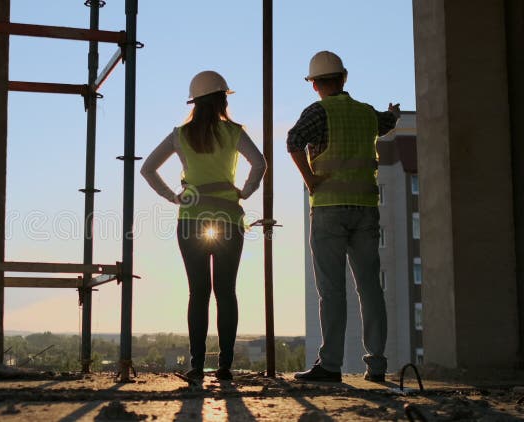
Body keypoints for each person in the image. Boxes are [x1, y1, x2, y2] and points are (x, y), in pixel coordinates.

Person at [140, 71, 266, 382]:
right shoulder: (235, 132)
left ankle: (197, 365)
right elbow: (259, 163)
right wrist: (245, 191)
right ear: (222, 98)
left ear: (195, 102)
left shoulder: (179, 135)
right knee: (226, 292)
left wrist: (173, 197)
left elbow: (147, 169)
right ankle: (225, 366)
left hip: (191, 221)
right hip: (229, 220)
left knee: (198, 293)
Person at [289, 51, 401, 383]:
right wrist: (393, 113)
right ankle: (377, 365)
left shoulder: (317, 112)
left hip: (328, 211)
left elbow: (293, 141)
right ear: (345, 78)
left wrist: (310, 180)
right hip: (366, 210)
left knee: (332, 291)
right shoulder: (367, 115)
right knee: (370, 288)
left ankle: (331, 365)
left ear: (314, 85)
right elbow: (388, 121)